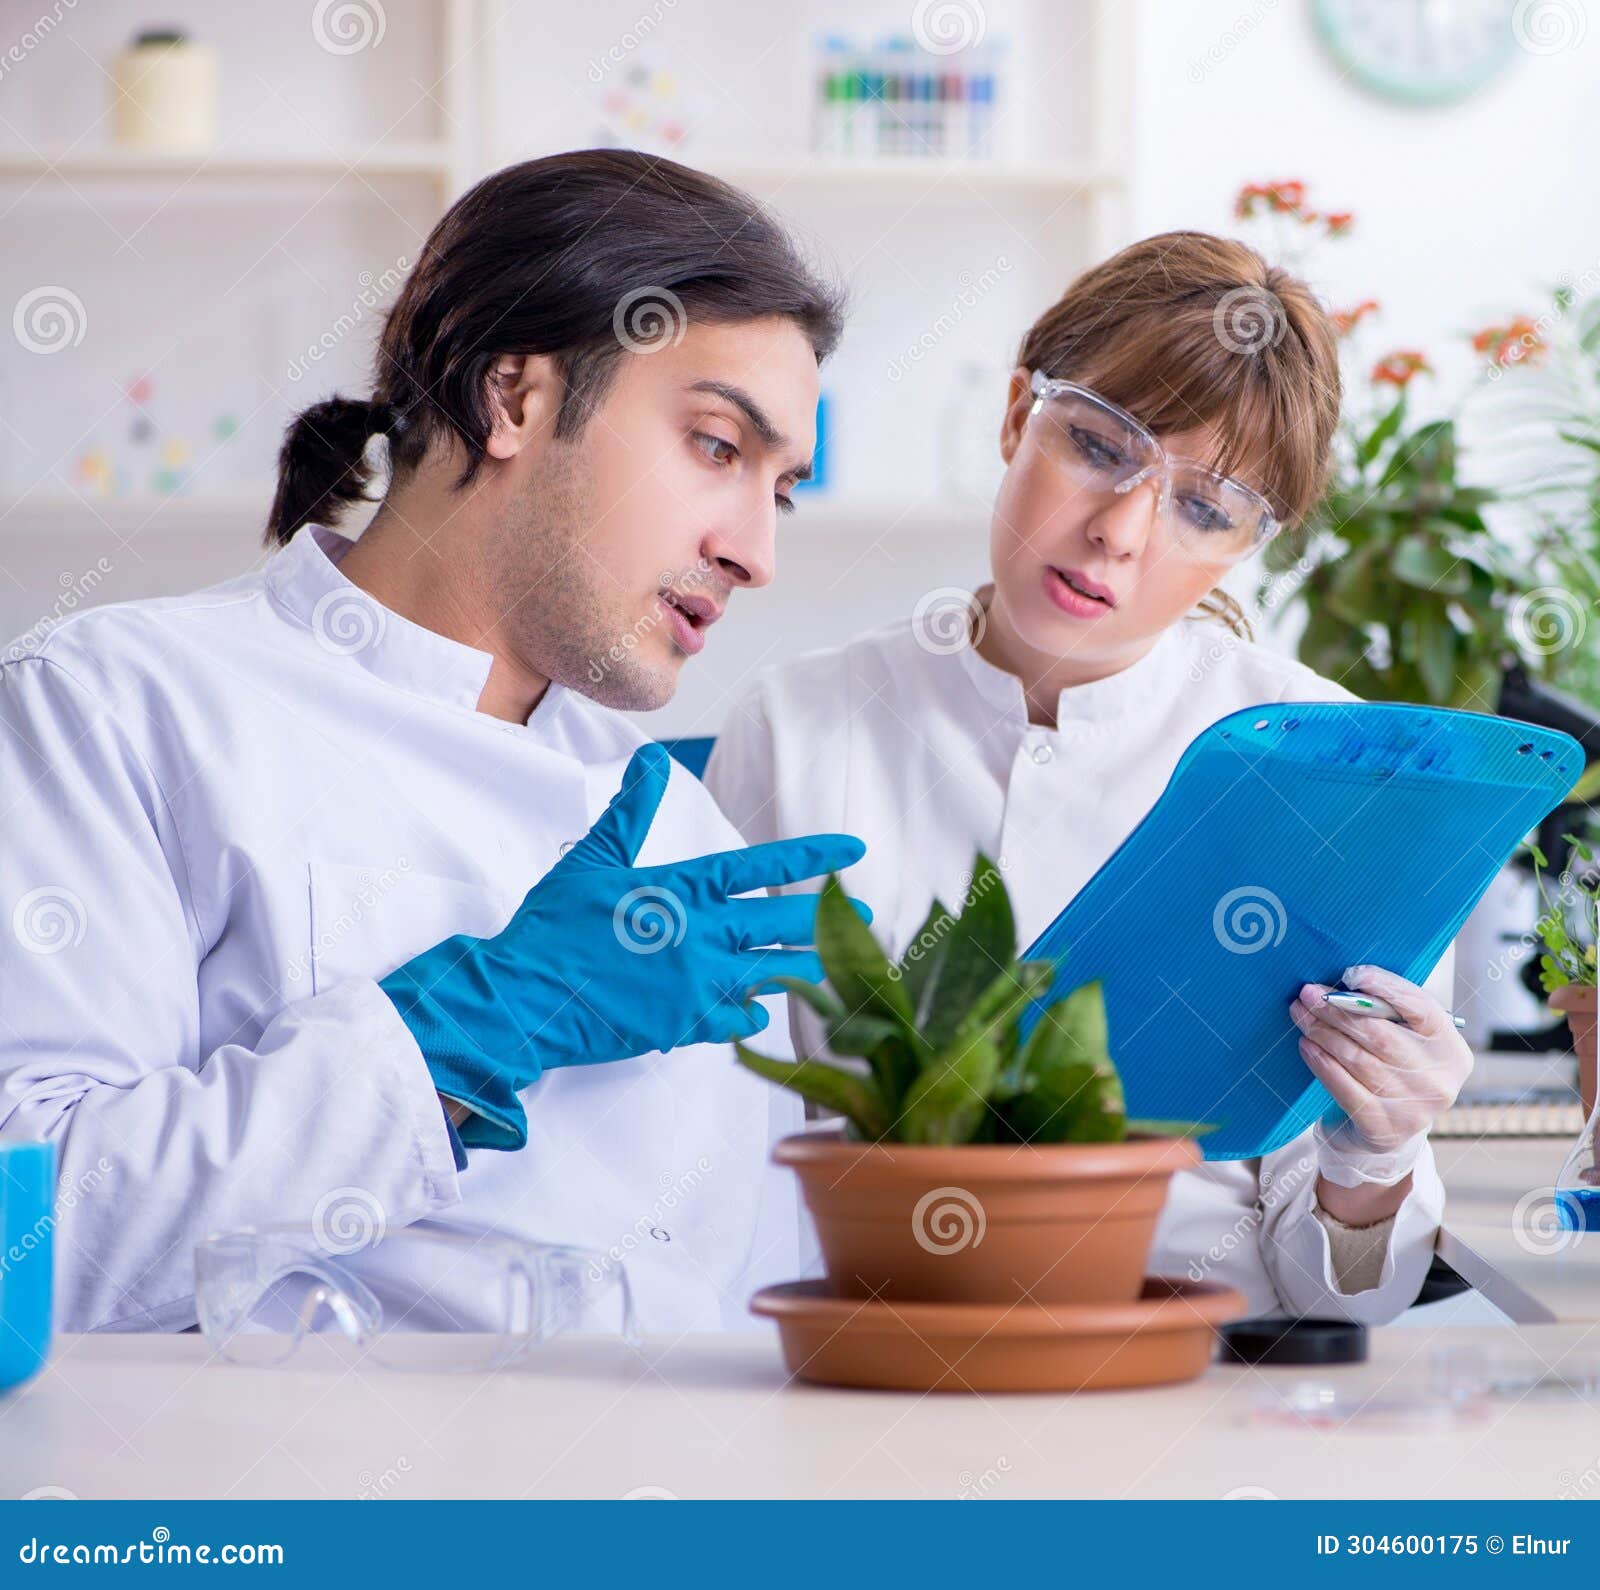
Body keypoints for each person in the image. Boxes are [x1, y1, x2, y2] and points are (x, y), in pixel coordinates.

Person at [0, 150, 868, 1335]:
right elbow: (32, 1239)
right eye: (717, 447)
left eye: (785, 489)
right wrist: (460, 1030)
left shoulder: (679, 832)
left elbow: (766, 1301)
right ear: (511, 398)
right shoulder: (117, 705)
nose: (755, 552)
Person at [705, 231, 1474, 1324]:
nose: (1119, 531)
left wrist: (1374, 1149)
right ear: (1018, 414)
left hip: (1195, 1390)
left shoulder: (1327, 766)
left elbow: (1346, 1300)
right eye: (1100, 445)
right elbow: (721, 1162)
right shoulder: (799, 723)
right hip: (874, 1372)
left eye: (1202, 510)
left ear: (1246, 545)